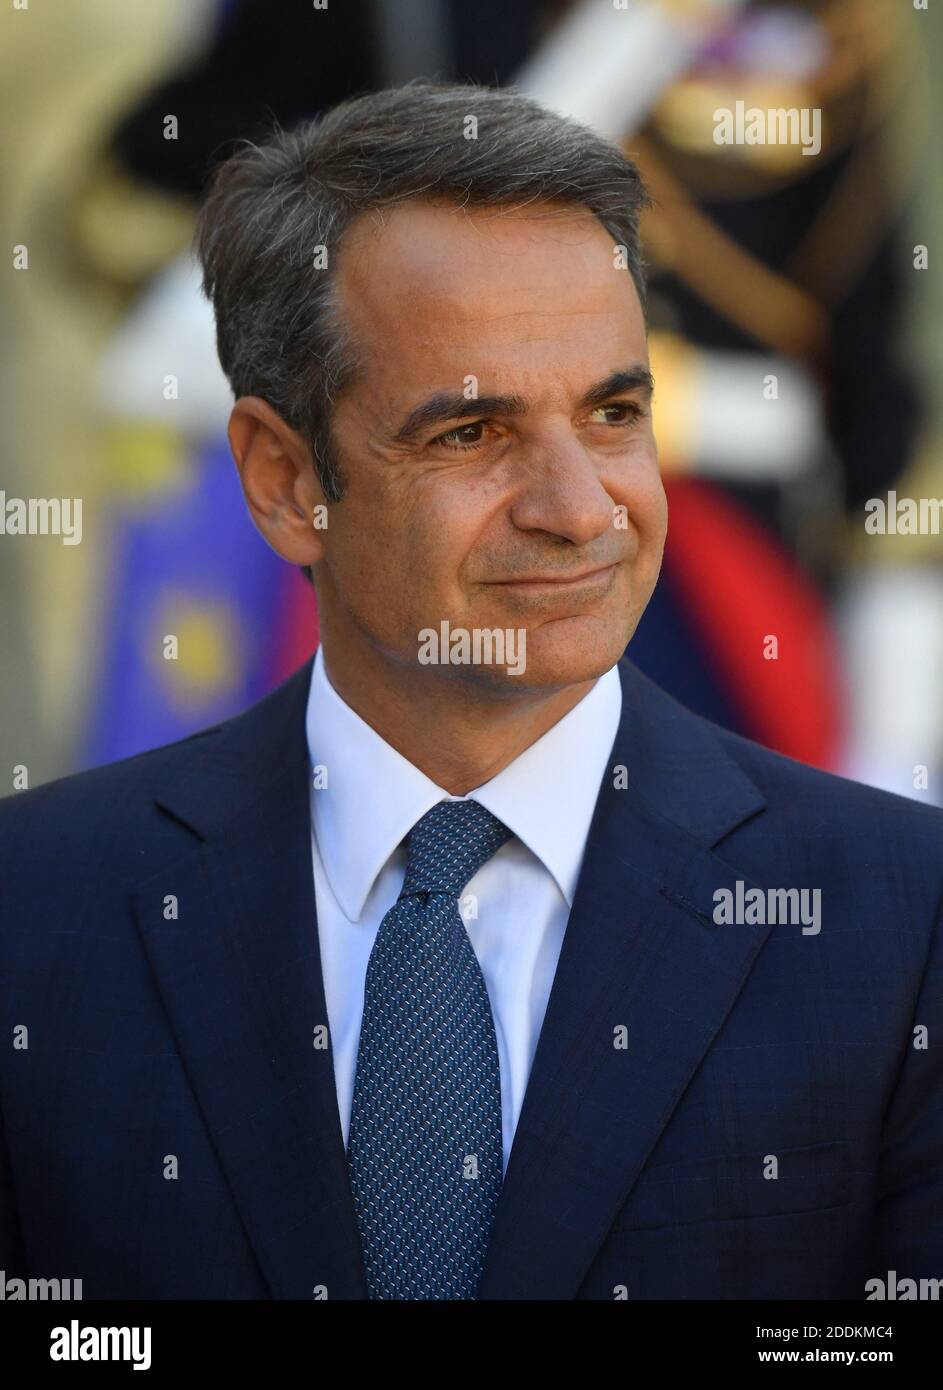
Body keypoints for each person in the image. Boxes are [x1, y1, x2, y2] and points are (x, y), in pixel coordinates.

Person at [1, 80, 940, 1301]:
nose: (578, 508)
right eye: (470, 434)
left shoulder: (903, 922)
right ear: (286, 481)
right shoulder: (37, 911)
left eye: (613, 413)